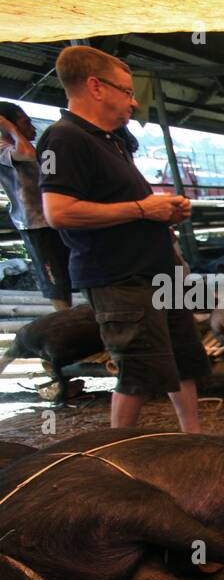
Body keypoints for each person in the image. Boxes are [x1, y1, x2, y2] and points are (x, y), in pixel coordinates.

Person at [37, 46, 209, 431]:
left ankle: (194, 439)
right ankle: (117, 451)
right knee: (139, 367)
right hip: (119, 276)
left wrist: (161, 213)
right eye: (126, 91)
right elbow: (58, 212)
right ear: (95, 87)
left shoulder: (112, 139)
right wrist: (144, 210)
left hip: (158, 270)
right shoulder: (63, 139)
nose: (133, 102)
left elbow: (125, 204)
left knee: (183, 357)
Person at [0, 102, 73, 312]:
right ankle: (65, 321)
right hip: (35, 223)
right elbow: (26, 153)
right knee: (55, 281)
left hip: (55, 216)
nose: (31, 128)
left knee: (74, 270)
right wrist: (10, 128)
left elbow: (54, 173)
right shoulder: (5, 148)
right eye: (25, 123)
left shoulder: (39, 149)